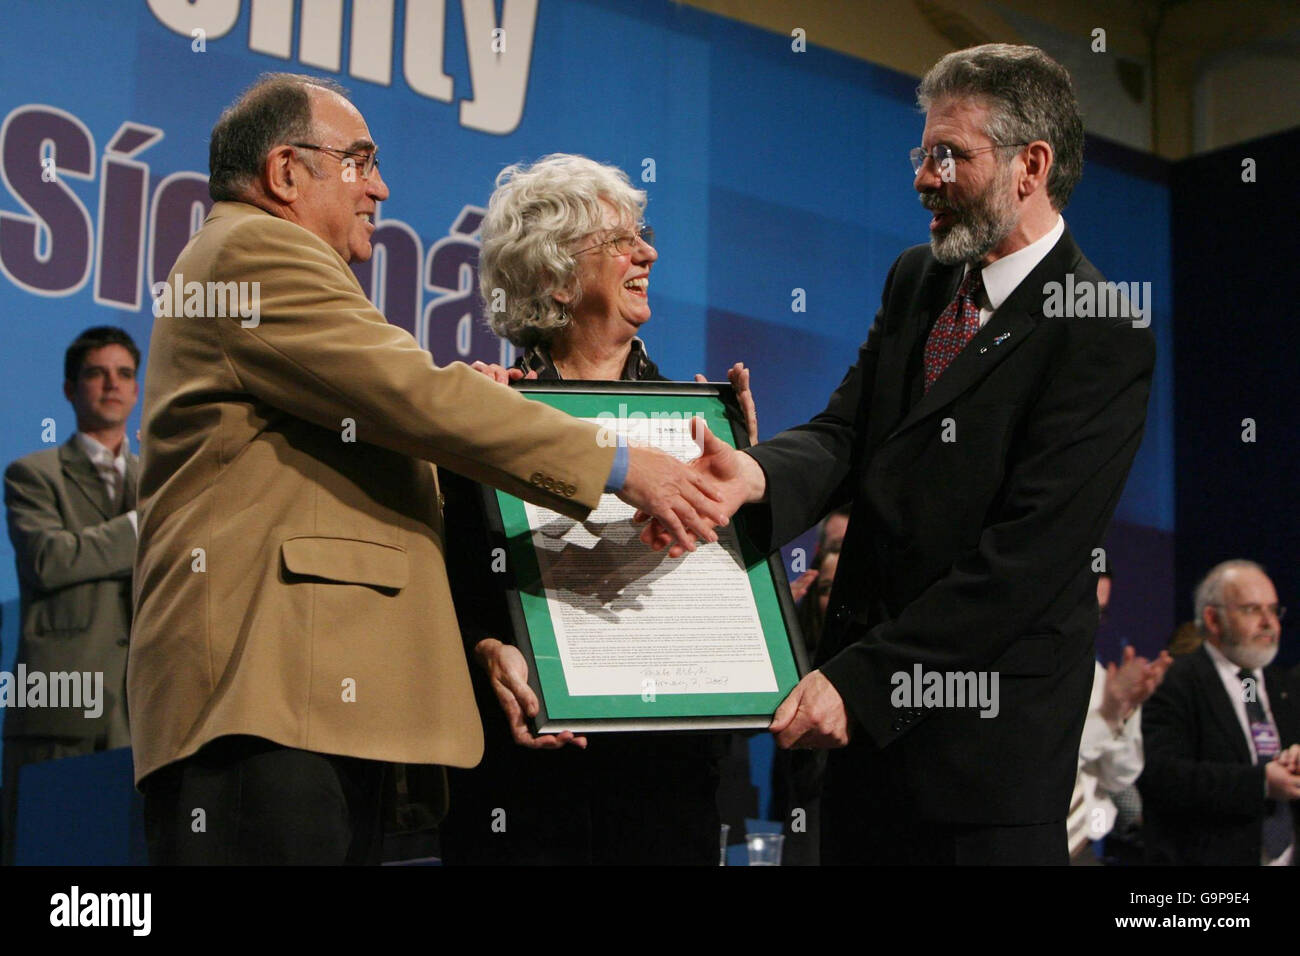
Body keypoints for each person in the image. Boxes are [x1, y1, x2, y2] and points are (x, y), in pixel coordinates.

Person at [129, 76, 728, 865]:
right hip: (263, 706)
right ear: (285, 173)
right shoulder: (255, 249)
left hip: (314, 713)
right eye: (360, 161)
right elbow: (413, 394)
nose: (380, 186)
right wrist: (618, 463)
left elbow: (392, 421)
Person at [643, 43, 1155, 864]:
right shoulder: (918, 278)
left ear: (1031, 165)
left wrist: (870, 681)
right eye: (923, 153)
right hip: (863, 755)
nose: (924, 177)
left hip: (979, 775)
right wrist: (759, 470)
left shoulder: (1100, 328)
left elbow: (1025, 560)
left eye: (950, 155)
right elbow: (849, 431)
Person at [439, 153, 757, 864]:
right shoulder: (485, 415)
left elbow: (728, 604)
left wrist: (743, 486)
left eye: (640, 234)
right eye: (620, 240)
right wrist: (487, 650)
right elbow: (447, 594)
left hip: (665, 791)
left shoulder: (702, 424)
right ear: (554, 276)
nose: (646, 252)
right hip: (525, 795)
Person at [2, 326, 141, 865]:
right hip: (60, 706)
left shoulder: (162, 482)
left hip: (144, 711)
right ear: (69, 388)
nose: (111, 384)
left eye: (124, 374)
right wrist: (137, 530)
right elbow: (48, 560)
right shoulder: (33, 474)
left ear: (136, 389)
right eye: (96, 372)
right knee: (48, 855)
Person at [1139, 560, 1300, 865]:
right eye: (1253, 610)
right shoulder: (1175, 683)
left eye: (1273, 610)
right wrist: (1260, 784)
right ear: (1213, 619)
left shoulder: (1288, 685)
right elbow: (1162, 777)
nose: (1269, 623)